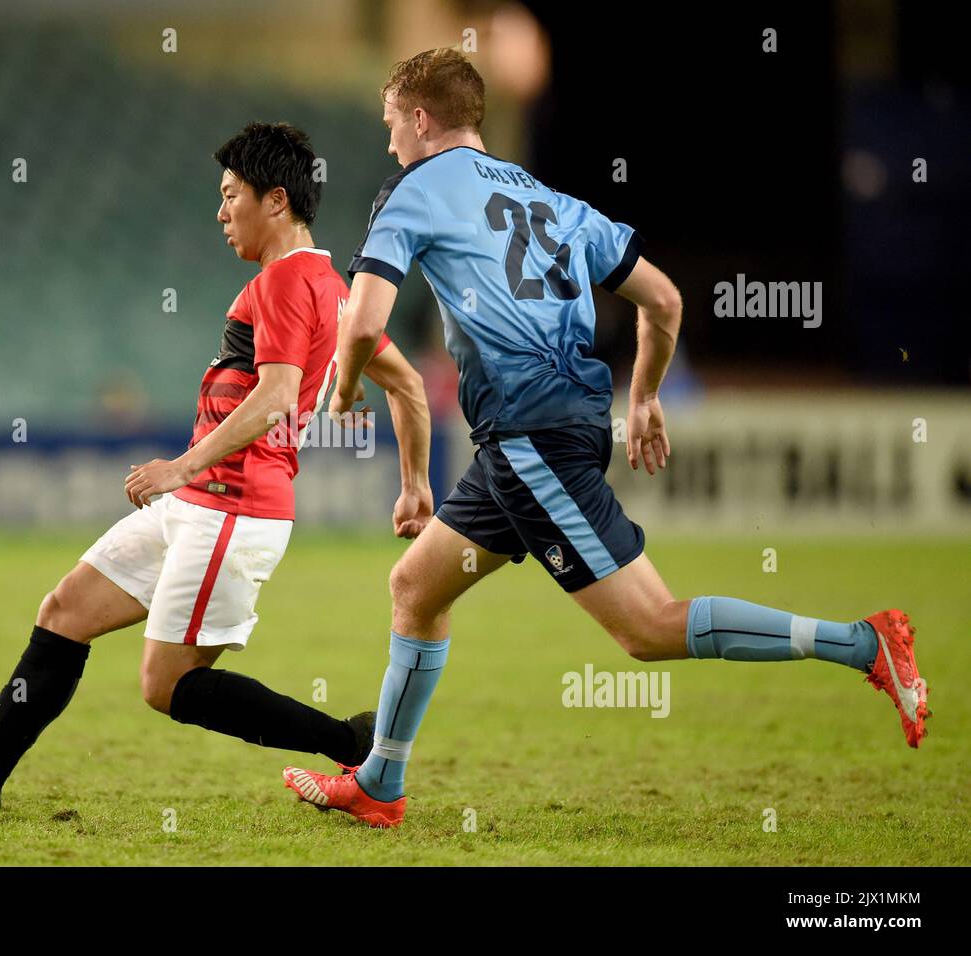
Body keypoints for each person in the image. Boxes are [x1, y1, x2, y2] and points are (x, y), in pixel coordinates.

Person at [282, 49, 928, 829]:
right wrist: (646, 394)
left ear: (420, 119)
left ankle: (864, 643)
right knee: (416, 590)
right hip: (534, 438)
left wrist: (344, 388)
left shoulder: (414, 190)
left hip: (531, 439)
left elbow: (365, 318)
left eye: (392, 125)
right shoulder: (555, 202)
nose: (389, 144)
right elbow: (662, 298)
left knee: (648, 629)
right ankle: (381, 784)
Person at [0, 122, 434, 807]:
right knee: (66, 609)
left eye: (232, 195)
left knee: (165, 685)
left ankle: (351, 743)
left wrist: (180, 465)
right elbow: (408, 386)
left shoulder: (286, 284)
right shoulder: (337, 290)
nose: (221, 211)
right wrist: (414, 485)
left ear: (277, 201)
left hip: (230, 506)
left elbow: (277, 396)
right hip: (202, 503)